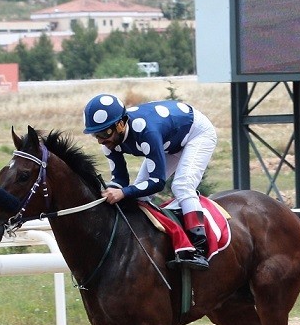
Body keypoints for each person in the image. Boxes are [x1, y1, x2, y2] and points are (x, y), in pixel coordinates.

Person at [83, 93, 218, 271]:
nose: (101, 140)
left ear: (121, 124)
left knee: (182, 185)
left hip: (196, 134)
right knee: (140, 196)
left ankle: (199, 247)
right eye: (96, 135)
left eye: (104, 132)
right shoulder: (110, 142)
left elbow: (157, 182)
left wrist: (123, 193)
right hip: (169, 140)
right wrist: (110, 191)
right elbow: (120, 179)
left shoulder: (146, 131)